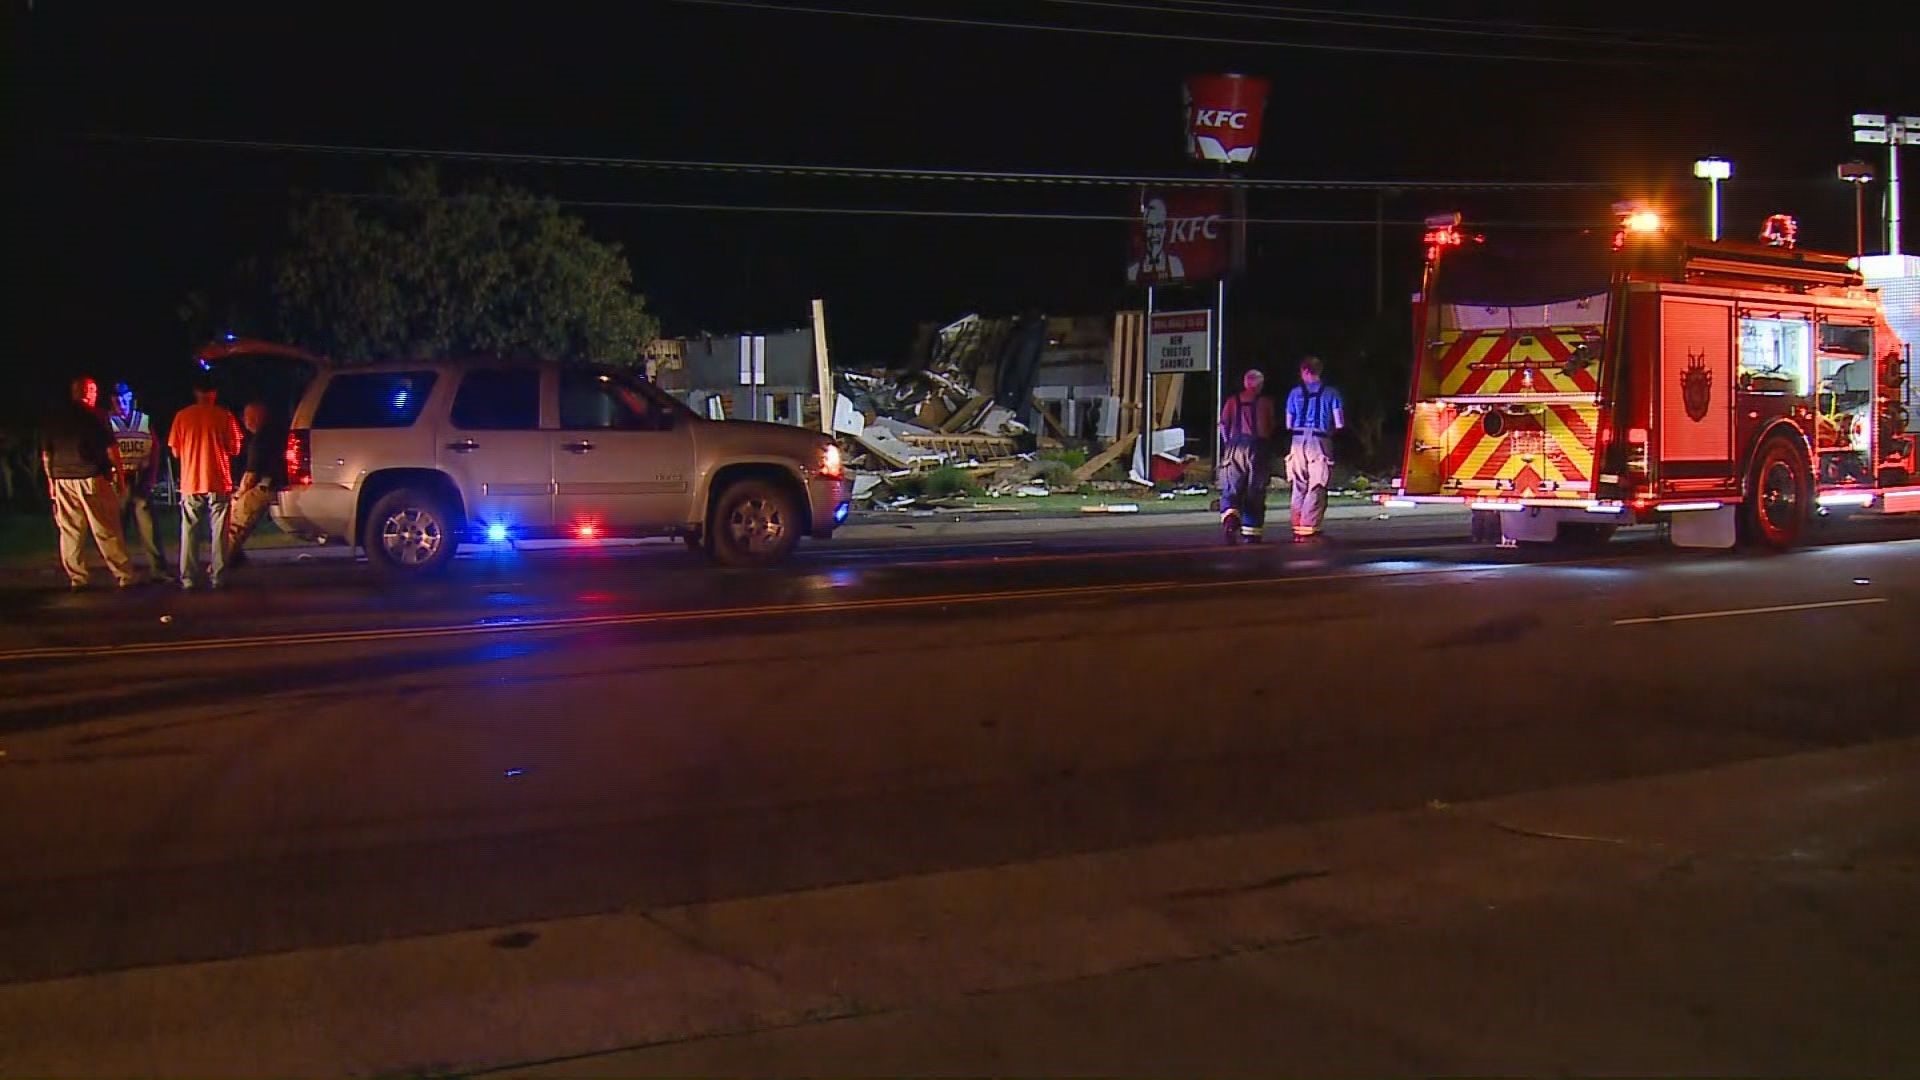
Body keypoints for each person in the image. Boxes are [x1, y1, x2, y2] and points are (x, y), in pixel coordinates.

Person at [40, 376, 138, 590]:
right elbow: (111, 449)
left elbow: (47, 454)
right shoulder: (95, 416)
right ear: (88, 392)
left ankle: (78, 578)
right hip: (91, 477)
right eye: (93, 391)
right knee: (106, 527)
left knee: (70, 531)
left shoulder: (55, 418)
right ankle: (123, 574)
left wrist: (51, 483)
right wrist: (120, 475)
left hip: (62, 479)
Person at [167, 374, 243, 589]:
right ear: (214, 394)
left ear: (196, 393)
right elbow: (235, 449)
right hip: (219, 480)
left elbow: (175, 451)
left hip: (191, 480)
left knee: (189, 529)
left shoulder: (182, 417)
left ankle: (188, 577)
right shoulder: (225, 416)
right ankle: (218, 576)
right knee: (219, 531)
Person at [108, 380, 169, 581]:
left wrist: (151, 477)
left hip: (140, 478)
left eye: (123, 399)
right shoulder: (108, 422)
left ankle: (158, 570)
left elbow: (155, 449)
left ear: (130, 399)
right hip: (118, 480)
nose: (121, 404)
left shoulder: (143, 420)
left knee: (149, 527)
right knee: (117, 529)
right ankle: (121, 572)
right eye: (117, 400)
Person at [1285, 355, 1345, 542]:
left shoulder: (1294, 393)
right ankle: (1309, 527)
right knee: (1317, 484)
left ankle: (1297, 526)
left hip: (1297, 440)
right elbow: (1340, 423)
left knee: (1299, 484)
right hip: (1320, 439)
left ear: (1304, 371)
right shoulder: (1331, 393)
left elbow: (1289, 423)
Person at [1217, 368, 1276, 544]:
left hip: (1234, 447)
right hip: (1257, 447)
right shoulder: (1265, 402)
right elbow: (1270, 425)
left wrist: (1229, 443)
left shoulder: (1232, 402)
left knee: (1231, 487)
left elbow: (1222, 425)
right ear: (1260, 385)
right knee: (1255, 490)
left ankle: (1230, 518)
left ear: (1245, 383)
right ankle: (1251, 532)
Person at [225, 401, 285, 565]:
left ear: (255, 418)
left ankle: (219, 566)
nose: (245, 421)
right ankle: (237, 557)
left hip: (265, 487)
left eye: (246, 417)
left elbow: (251, 476)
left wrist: (238, 495)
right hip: (275, 484)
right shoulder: (276, 434)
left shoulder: (259, 441)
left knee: (235, 525)